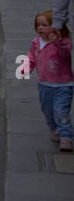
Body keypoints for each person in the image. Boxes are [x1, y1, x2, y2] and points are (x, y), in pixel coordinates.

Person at [23, 11, 72, 152]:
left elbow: (65, 53)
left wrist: (57, 40)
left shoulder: (64, 42)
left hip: (63, 84)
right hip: (44, 84)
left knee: (60, 110)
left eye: (45, 25)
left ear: (55, 26)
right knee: (47, 110)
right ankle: (54, 128)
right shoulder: (36, 42)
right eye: (38, 25)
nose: (40, 28)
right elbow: (32, 56)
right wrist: (26, 67)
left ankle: (66, 137)